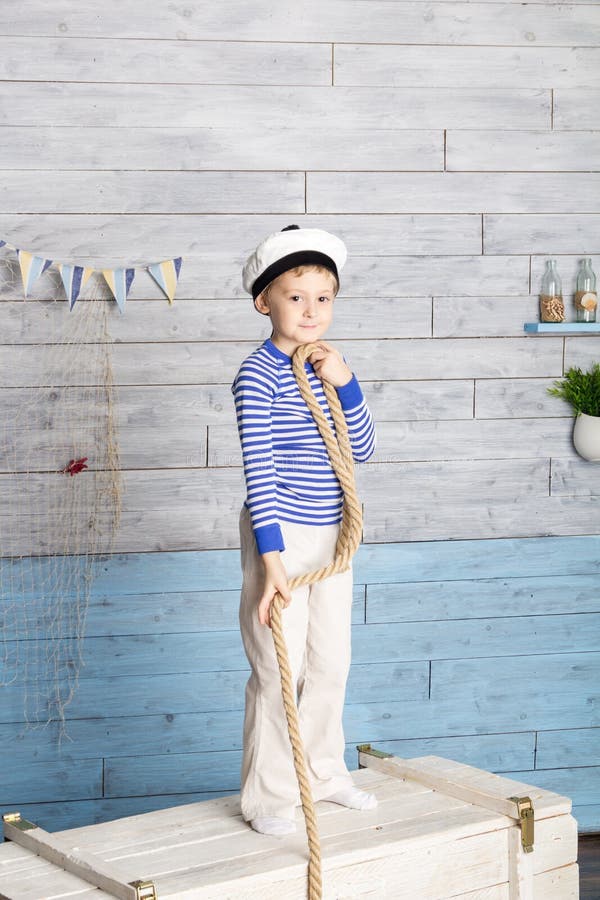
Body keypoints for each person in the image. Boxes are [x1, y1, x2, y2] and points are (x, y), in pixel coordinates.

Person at [232, 225, 377, 837]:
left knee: (330, 662)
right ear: (265, 301)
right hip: (281, 537)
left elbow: (362, 449)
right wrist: (272, 567)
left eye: (324, 297)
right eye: (296, 296)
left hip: (333, 535)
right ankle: (269, 798)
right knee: (277, 670)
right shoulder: (257, 376)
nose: (312, 310)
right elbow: (259, 476)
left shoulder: (328, 368)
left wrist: (345, 381)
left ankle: (323, 774)